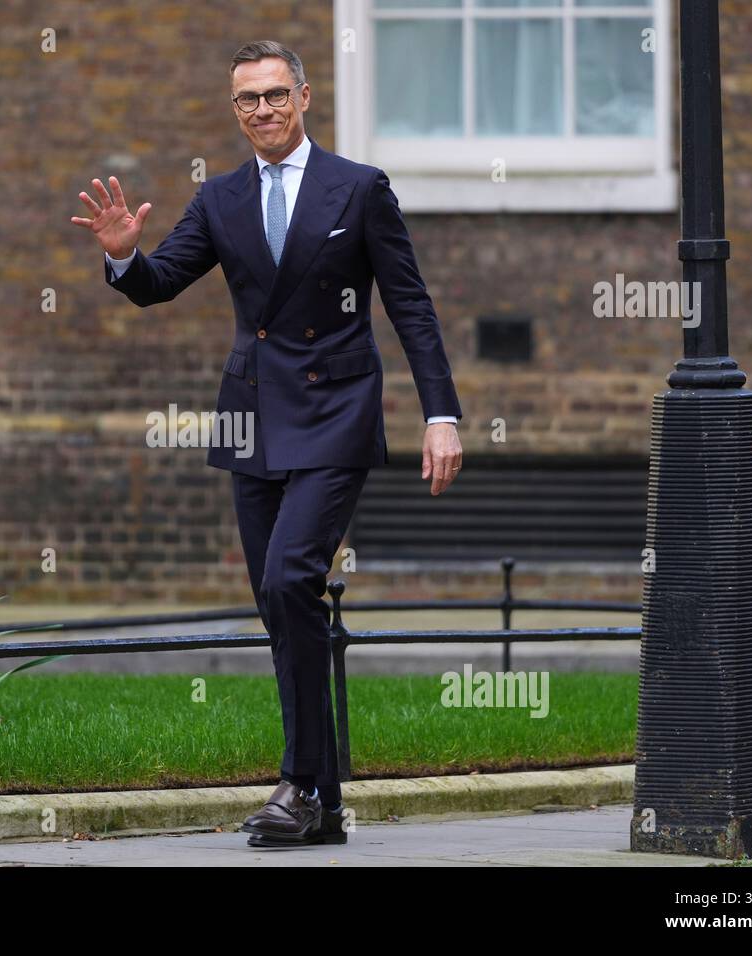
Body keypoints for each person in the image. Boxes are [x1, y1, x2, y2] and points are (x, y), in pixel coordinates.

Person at [71, 40, 463, 848]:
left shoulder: (358, 189)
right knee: (280, 605)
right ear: (235, 109)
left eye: (275, 95)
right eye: (247, 99)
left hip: (335, 414)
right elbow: (161, 283)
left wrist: (441, 414)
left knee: (292, 577)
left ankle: (297, 782)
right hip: (251, 419)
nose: (262, 111)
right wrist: (121, 257)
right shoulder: (218, 199)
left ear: (305, 97)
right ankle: (319, 802)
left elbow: (411, 306)